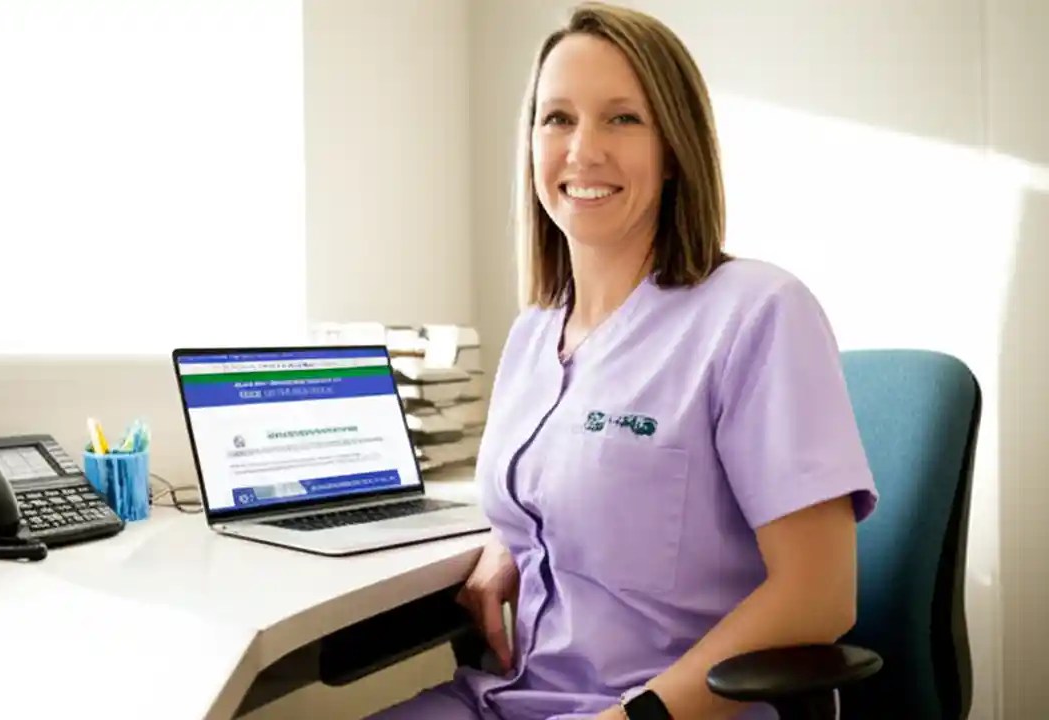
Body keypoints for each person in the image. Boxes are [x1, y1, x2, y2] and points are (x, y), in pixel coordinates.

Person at [367, 4, 878, 720]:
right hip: (513, 700)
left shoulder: (757, 313)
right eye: (557, 119)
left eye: (622, 118)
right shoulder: (532, 335)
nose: (582, 150)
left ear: (675, 150)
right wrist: (512, 539)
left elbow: (819, 596)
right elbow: (595, 479)